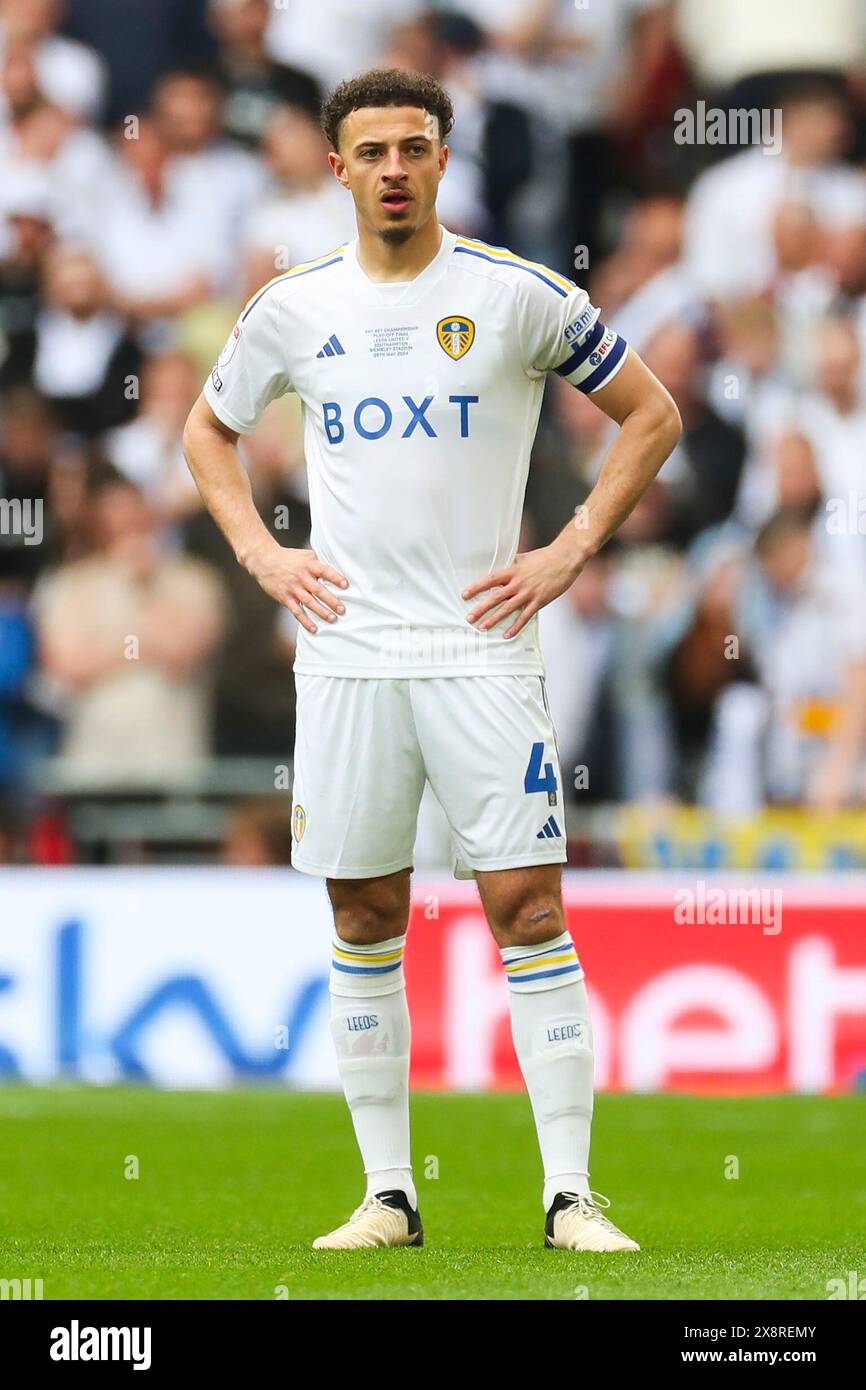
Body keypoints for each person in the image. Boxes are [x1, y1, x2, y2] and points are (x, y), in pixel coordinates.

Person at [183, 67, 680, 1253]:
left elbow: (651, 413)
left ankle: (569, 1196)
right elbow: (207, 431)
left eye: (415, 146)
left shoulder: (514, 295)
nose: (394, 168)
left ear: (443, 159)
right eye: (372, 151)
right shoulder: (291, 308)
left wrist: (566, 549)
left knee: (526, 905)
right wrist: (262, 556)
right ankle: (387, 1195)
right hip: (349, 651)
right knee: (361, 910)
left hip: (482, 645)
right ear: (336, 167)